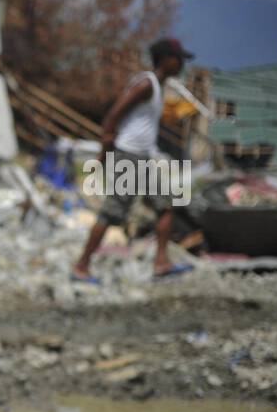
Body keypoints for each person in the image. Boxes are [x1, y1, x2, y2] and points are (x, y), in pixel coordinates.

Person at [72, 37, 195, 283]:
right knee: (112, 213)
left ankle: (161, 263)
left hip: (143, 157)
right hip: (127, 156)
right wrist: (104, 154)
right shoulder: (146, 85)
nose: (182, 64)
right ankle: (81, 267)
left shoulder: (159, 88)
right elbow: (112, 117)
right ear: (168, 60)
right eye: (179, 59)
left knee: (166, 205)